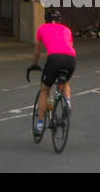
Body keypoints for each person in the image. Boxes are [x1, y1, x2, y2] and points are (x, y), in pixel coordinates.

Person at [31, 8, 76, 136]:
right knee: (65, 83)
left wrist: (35, 64)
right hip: (70, 59)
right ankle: (67, 102)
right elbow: (70, 46)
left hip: (54, 59)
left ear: (45, 20)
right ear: (60, 20)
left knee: (45, 89)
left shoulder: (42, 29)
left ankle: (40, 124)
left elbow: (37, 51)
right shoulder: (67, 30)